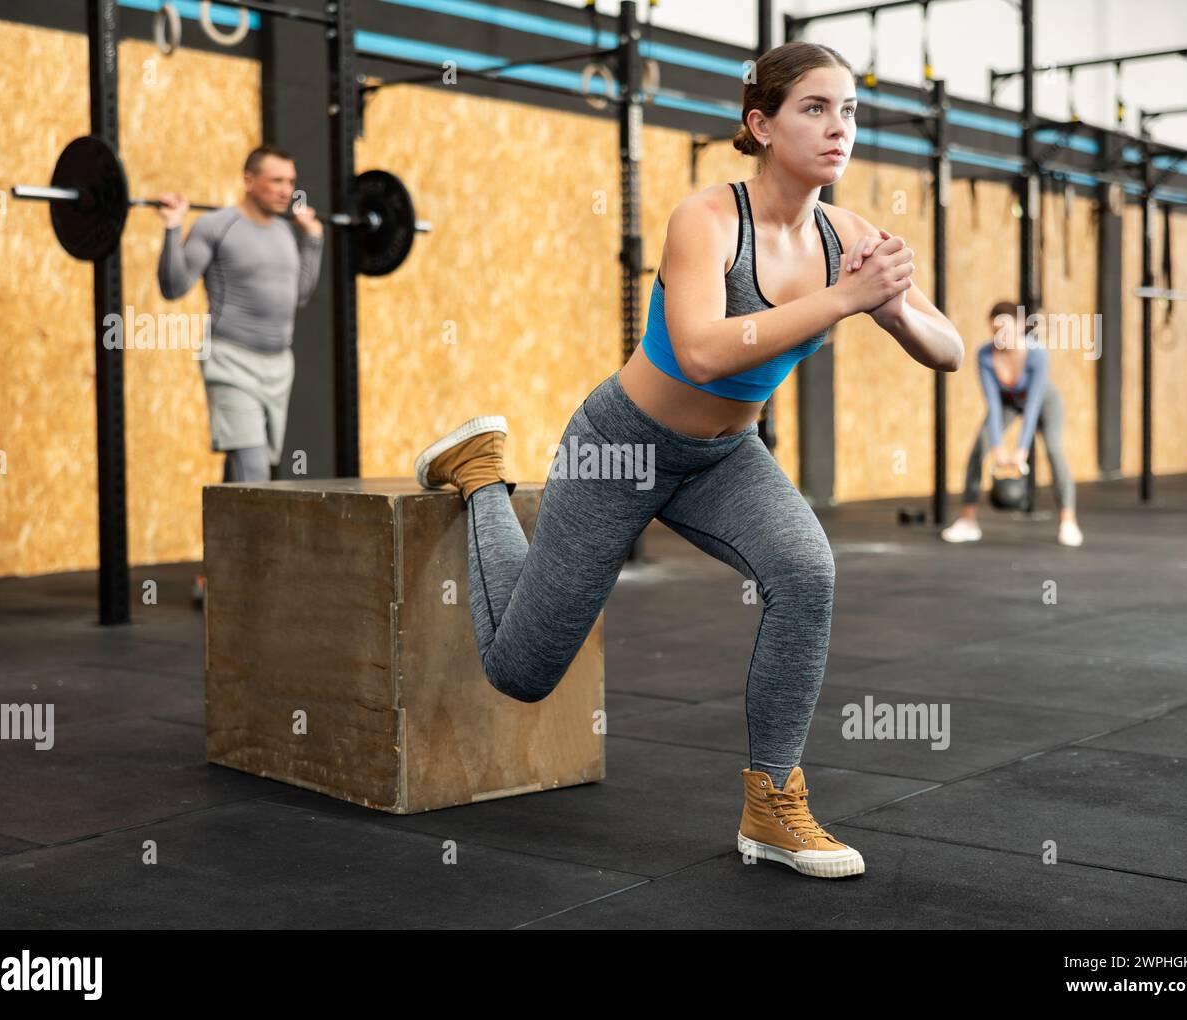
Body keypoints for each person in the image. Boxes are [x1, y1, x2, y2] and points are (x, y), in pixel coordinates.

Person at [412, 42, 964, 878]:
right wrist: (845, 297)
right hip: (620, 446)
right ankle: (483, 472)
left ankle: (772, 804)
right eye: (814, 108)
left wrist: (891, 309)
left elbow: (950, 346)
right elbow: (704, 351)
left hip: (726, 457)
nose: (837, 127)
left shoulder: (846, 236)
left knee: (806, 572)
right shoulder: (705, 220)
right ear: (761, 124)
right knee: (522, 673)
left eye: (848, 109)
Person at [155, 144, 326, 607]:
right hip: (230, 359)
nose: (286, 190)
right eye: (276, 181)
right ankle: (255, 581)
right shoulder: (217, 225)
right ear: (249, 180)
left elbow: (301, 295)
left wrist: (312, 240)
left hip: (278, 366)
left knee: (242, 473)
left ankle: (215, 575)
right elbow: (174, 287)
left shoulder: (286, 235)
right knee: (252, 466)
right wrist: (173, 228)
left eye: (291, 182)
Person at [940, 301, 1083, 546]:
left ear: (1019, 325)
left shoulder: (1036, 353)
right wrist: (997, 447)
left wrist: (1020, 450)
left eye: (1005, 328)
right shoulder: (985, 355)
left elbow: (1034, 405)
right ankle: (967, 521)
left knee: (1053, 448)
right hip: (1008, 403)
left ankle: (1068, 521)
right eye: (995, 330)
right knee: (980, 446)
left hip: (1043, 401)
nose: (1000, 335)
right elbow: (993, 405)